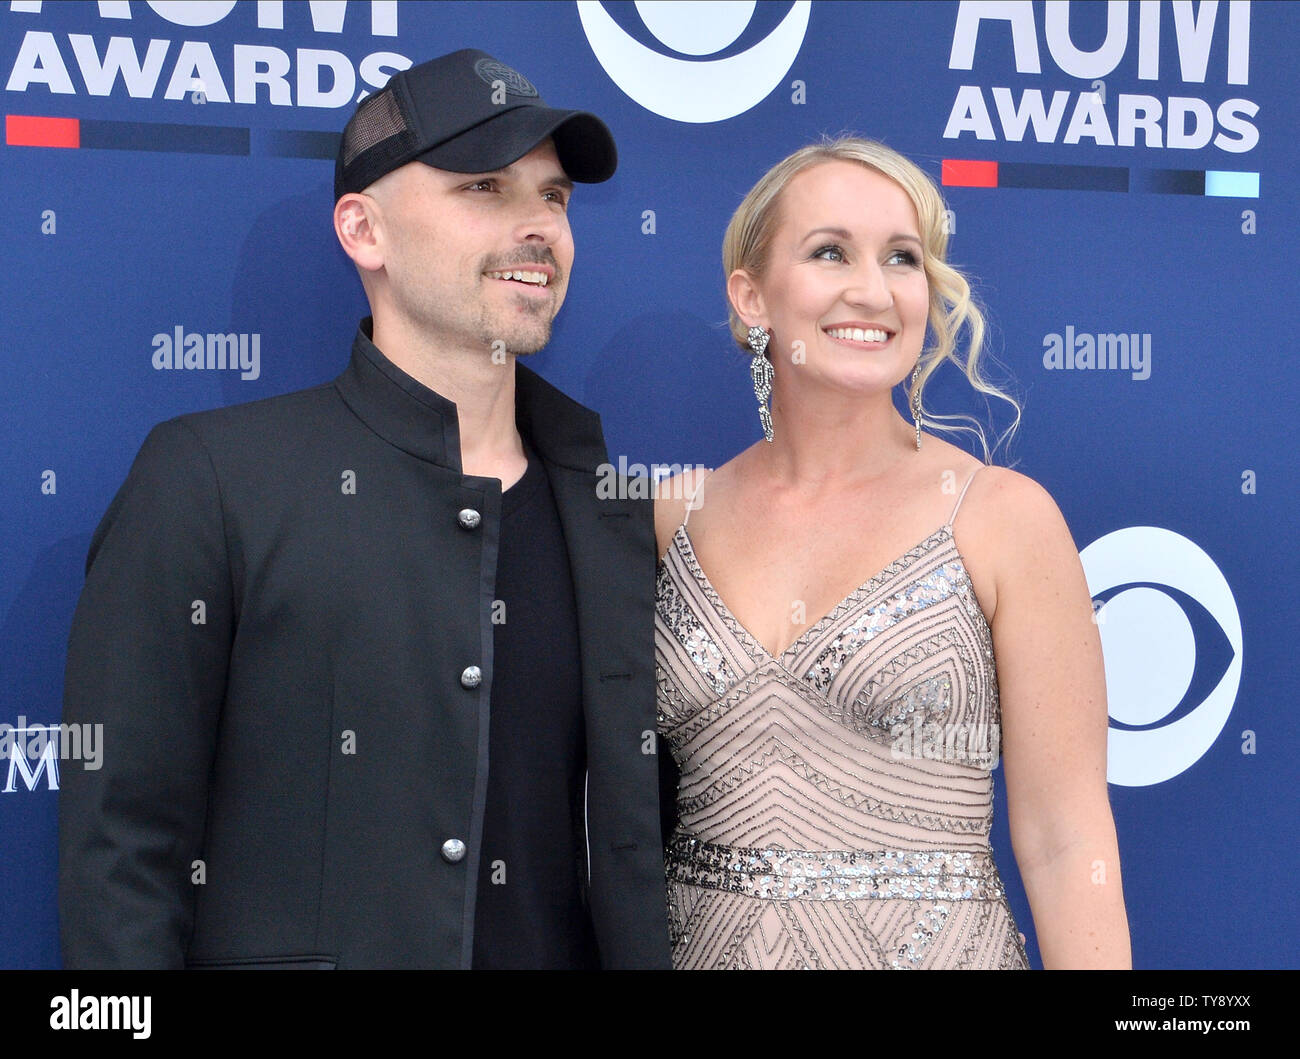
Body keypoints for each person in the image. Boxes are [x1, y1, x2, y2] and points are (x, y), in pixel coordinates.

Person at [59, 49, 670, 970]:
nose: (539, 225)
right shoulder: (209, 479)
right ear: (363, 229)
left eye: (553, 196)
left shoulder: (609, 506)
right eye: (485, 188)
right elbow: (120, 859)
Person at [654, 137, 1131, 969]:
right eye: (830, 251)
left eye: (902, 258)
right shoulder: (671, 514)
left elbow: (1065, 837)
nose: (872, 290)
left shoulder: (1002, 518)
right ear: (751, 295)